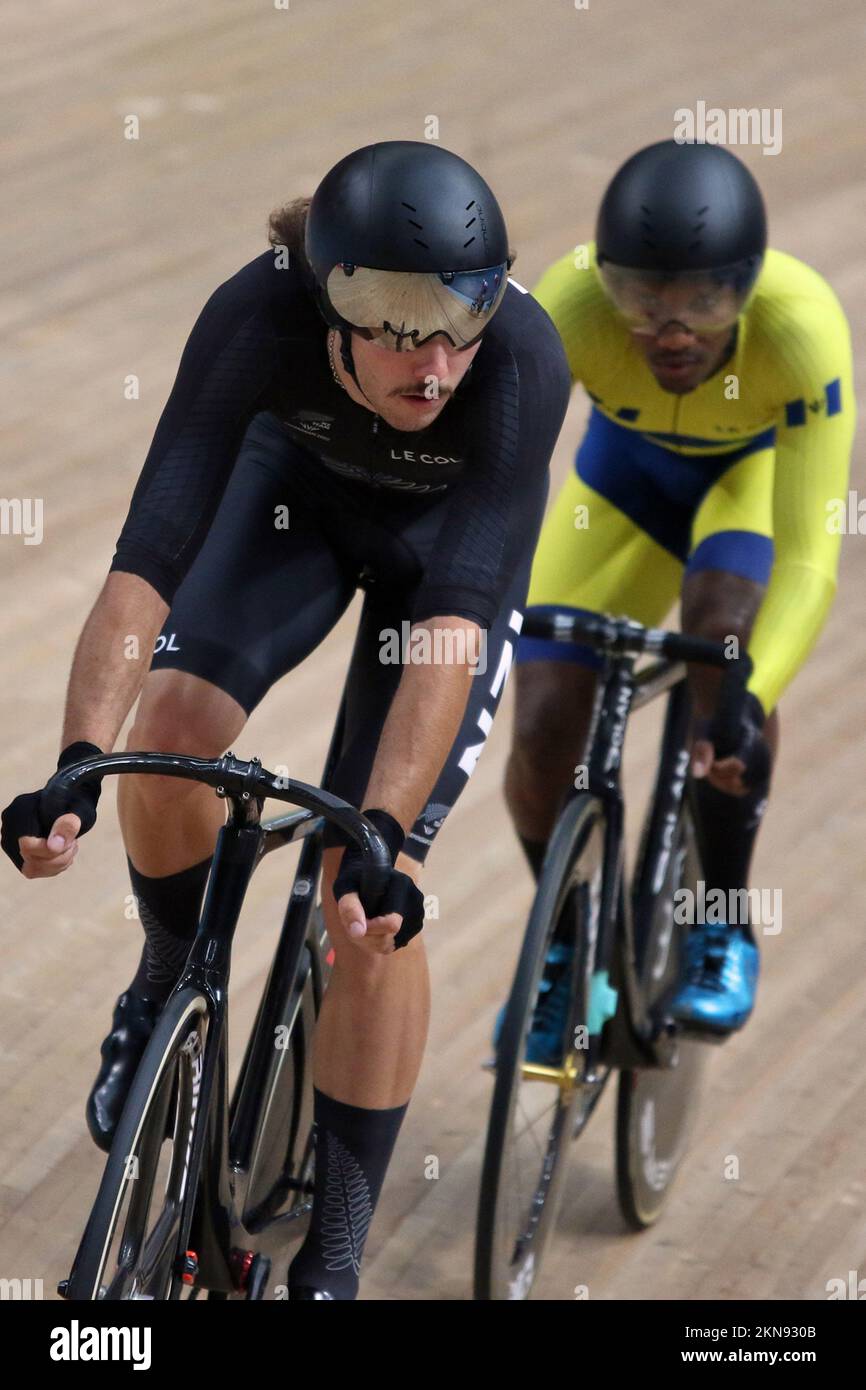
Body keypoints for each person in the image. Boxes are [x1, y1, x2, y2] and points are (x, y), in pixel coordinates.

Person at [1, 140, 571, 1300]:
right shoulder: (254, 312)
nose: (432, 359)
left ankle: (339, 1249)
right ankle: (167, 971)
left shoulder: (518, 362)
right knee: (168, 738)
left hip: (441, 577)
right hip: (293, 505)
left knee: (368, 900)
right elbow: (144, 564)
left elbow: (453, 633)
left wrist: (383, 838)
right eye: (393, 321)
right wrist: (74, 762)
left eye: (456, 316)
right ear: (326, 298)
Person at [502, 139, 855, 1060]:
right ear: (604, 284)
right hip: (620, 487)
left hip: (746, 486)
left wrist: (746, 697)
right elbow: (496, 481)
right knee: (541, 725)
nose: (672, 331)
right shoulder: (566, 304)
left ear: (749, 286)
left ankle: (722, 919)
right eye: (643, 300)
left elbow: (813, 561)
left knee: (725, 649)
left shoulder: (801, 327)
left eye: (705, 301)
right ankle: (568, 951)